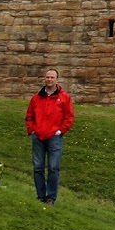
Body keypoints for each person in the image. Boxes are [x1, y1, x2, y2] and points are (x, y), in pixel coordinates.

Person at [25, 68, 74, 205]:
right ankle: (40, 195)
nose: (49, 80)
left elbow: (69, 117)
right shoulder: (36, 97)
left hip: (54, 137)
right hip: (38, 136)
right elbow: (29, 116)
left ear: (56, 79)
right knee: (38, 167)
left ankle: (50, 197)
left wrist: (60, 131)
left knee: (53, 167)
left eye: (52, 77)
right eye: (47, 77)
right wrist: (32, 130)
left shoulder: (64, 97)